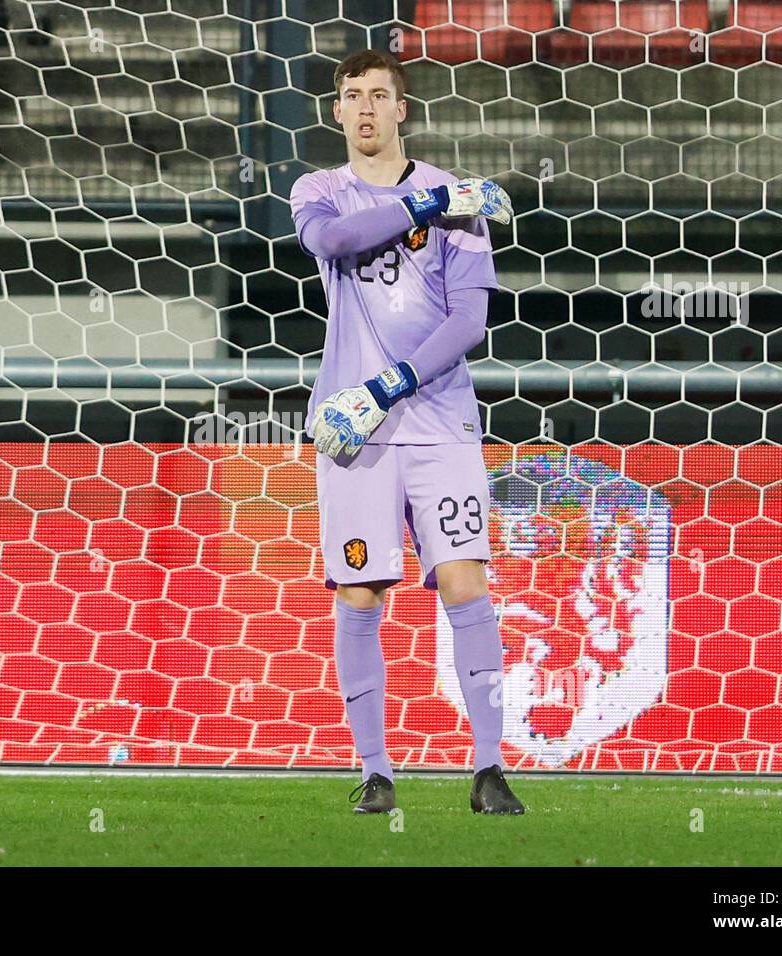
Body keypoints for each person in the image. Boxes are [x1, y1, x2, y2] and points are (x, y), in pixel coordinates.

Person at [288, 48, 523, 815]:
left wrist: (389, 385)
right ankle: (376, 773)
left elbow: (469, 321)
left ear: (402, 109)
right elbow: (333, 244)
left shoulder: (457, 197)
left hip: (439, 421)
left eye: (378, 95)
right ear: (336, 110)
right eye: (351, 95)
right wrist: (433, 207)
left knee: (465, 579)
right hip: (354, 431)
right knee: (360, 591)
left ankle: (489, 770)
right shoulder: (320, 189)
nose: (363, 108)